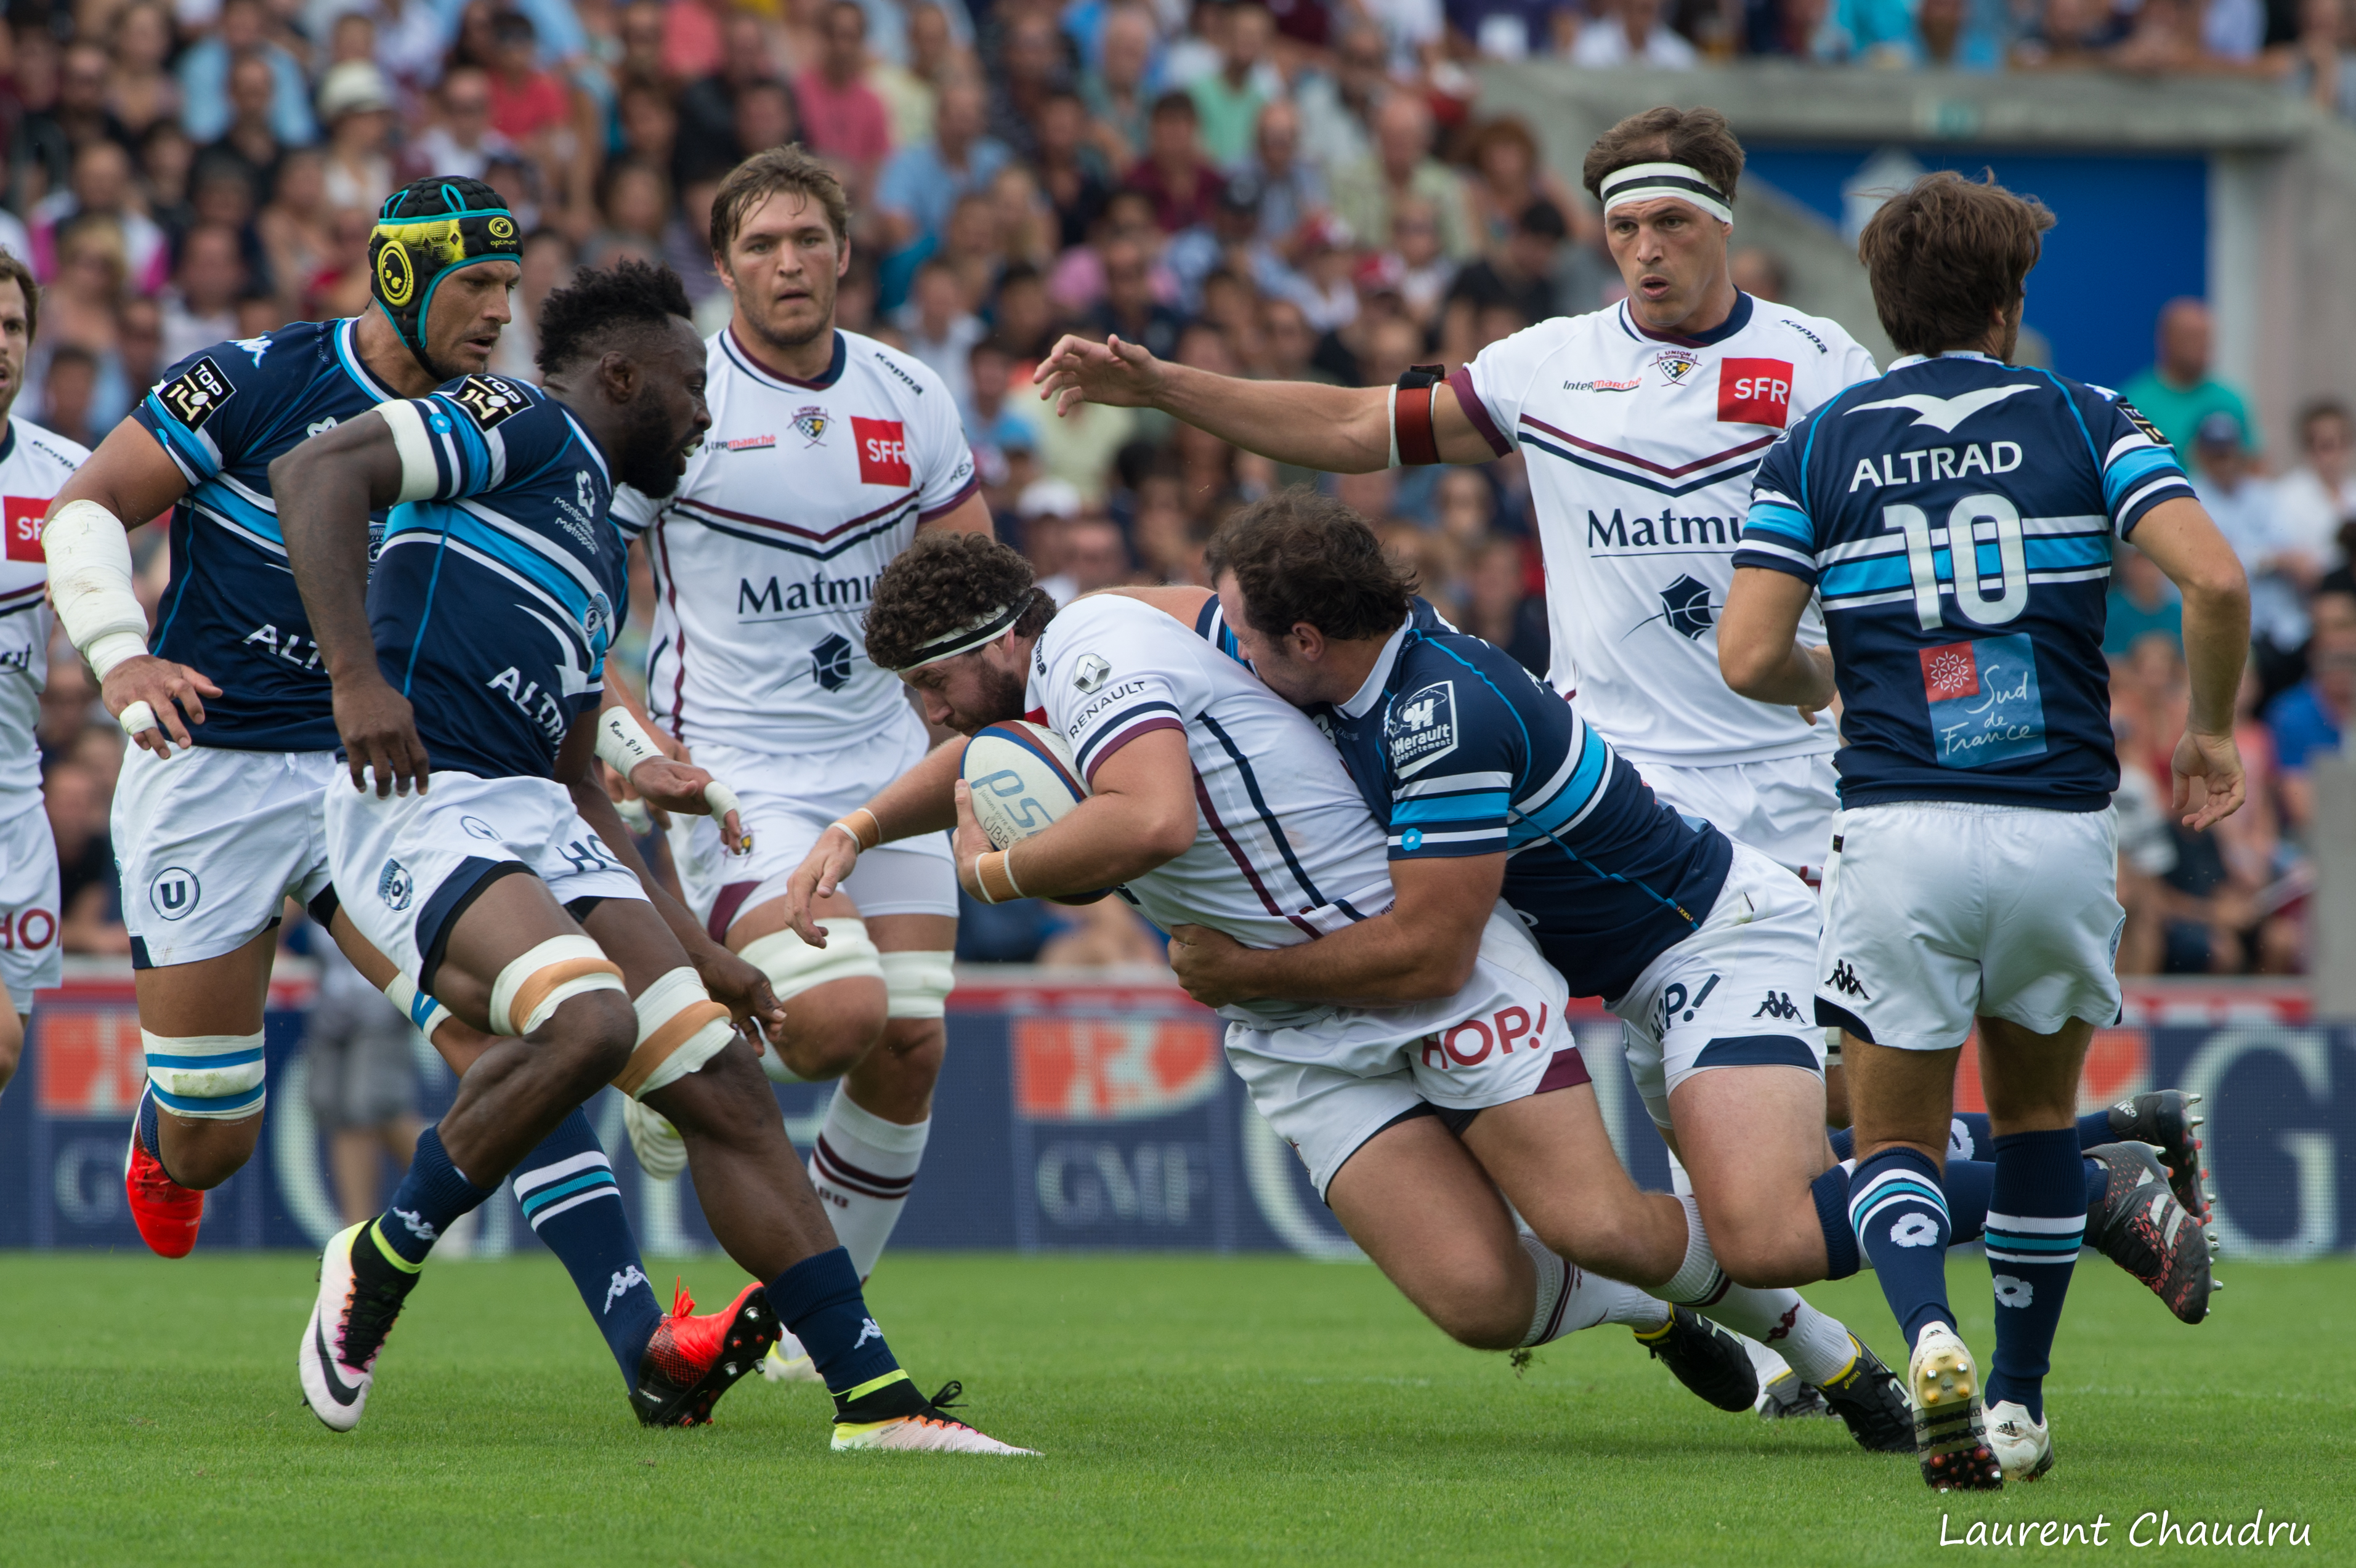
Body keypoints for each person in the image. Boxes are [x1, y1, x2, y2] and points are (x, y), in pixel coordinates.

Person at [1032, 105, 1879, 1404]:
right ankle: (1833, 1335)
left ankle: (2037, 1195)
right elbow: (1349, 425)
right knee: (1699, 1183)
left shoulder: (1824, 372)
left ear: (1725, 223)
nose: (1644, 250)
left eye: (1669, 222)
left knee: (1803, 1158)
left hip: (1788, 792)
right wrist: (1165, 386)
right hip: (1600, 789)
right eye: (1622, 227)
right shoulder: (1545, 365)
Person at [272, 256, 1024, 1455]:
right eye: (691, 385)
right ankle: (379, 1256)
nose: (709, 412)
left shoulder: (591, 554)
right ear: (621, 376)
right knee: (588, 1025)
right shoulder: (517, 419)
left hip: (536, 817)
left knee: (725, 1091)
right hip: (419, 807)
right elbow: (314, 469)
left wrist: (700, 948)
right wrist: (356, 679)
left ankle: (876, 1403)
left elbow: (581, 787)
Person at [46, 178, 751, 1428]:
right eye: (474, 287)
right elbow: (90, 503)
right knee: (215, 1136)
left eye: (509, 287)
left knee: (515, 1043)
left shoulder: (500, 428)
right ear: (398, 281)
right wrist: (119, 653)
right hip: (207, 769)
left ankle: (646, 1340)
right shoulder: (258, 379)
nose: (499, 314)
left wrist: (636, 751)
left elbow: (547, 631)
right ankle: (172, 1126)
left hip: (371, 774)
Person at [789, 529, 1771, 1416]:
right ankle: (1649, 1308)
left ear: (1004, 640)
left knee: (1598, 1221)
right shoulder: (1060, 692)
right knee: (1480, 1303)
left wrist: (987, 876)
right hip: (1294, 1023)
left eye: (932, 681)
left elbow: (1151, 819)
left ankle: (1830, 1354)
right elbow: (975, 760)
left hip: (1394, 955)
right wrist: (859, 825)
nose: (927, 712)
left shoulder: (1096, 646)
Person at [1718, 171, 2238, 1489]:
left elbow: (1746, 655)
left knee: (1893, 1141)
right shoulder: (2085, 415)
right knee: (2027, 1130)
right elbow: (2216, 579)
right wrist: (2212, 733)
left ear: (1881, 304)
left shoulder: (1819, 443)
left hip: (1896, 829)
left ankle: (1929, 1333)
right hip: (2057, 824)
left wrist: (1818, 684)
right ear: (2009, 303)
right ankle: (2012, 1404)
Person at [604, 148, 992, 1382]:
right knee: (835, 1019)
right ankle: (670, 1031)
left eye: (808, 241)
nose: (788, 264)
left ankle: (799, 1332)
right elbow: (582, 611)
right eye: (762, 245)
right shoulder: (669, 403)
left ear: (843, 251)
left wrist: (975, 757)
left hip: (886, 769)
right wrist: (635, 747)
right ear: (723, 268)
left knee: (913, 1040)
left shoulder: (909, 395)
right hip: (736, 776)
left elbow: (976, 603)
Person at [0, 251, 91, 1102]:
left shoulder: (68, 477)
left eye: (13, 327)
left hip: (15, 805)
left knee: (3, 1053)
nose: (1, 346)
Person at [2119, 298, 2254, 461]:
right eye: (2192, 337)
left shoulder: (2230, 400)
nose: (2202, 345)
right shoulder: (2132, 404)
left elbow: (2255, 467)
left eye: (2207, 337)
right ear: (2165, 340)